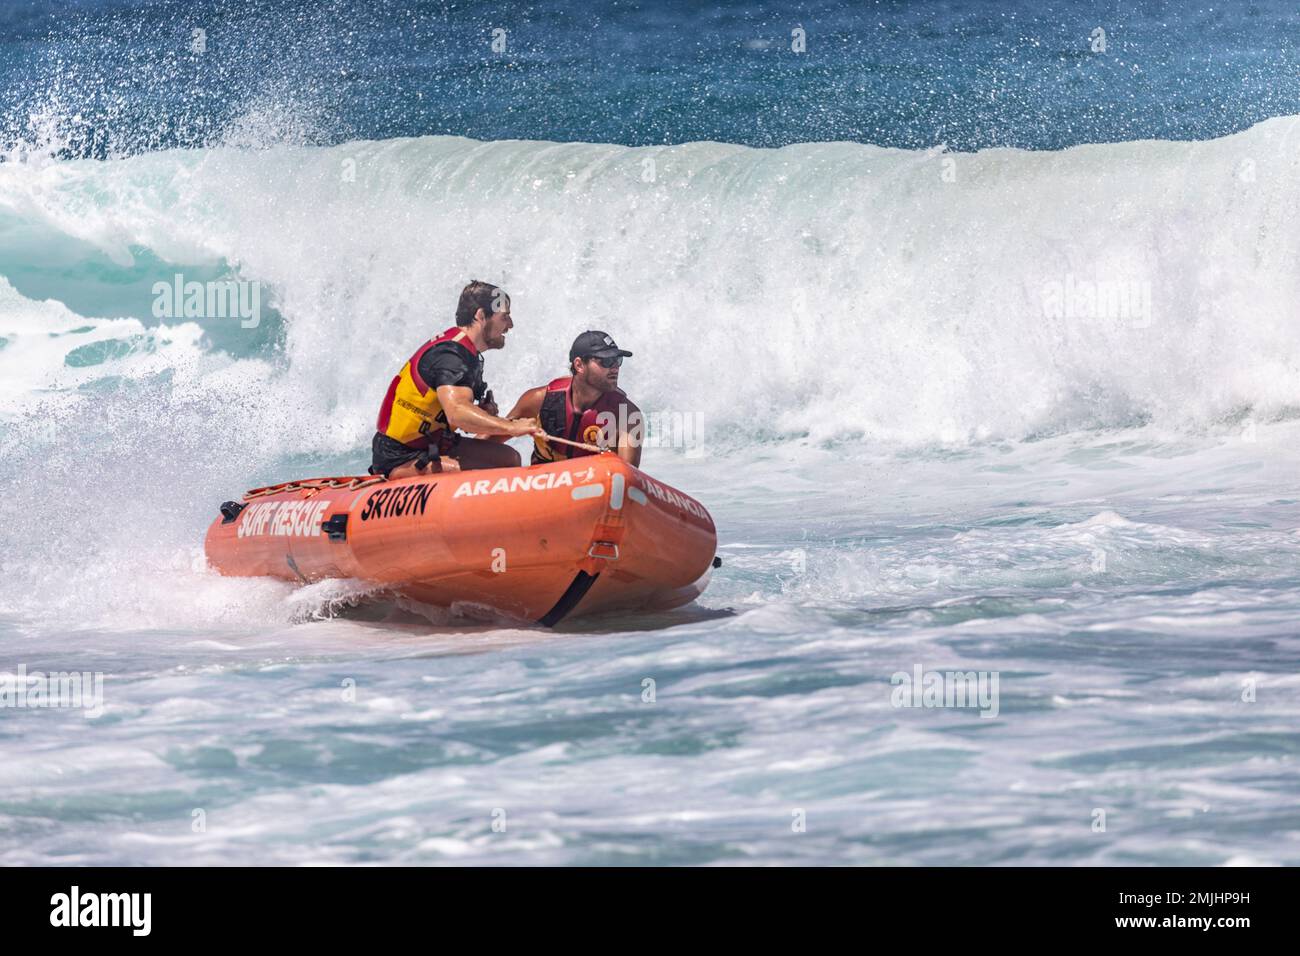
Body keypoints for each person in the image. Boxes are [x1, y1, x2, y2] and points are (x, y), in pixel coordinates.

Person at [369, 280, 542, 479]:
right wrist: (511, 427)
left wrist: (482, 412)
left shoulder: (465, 350)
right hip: (401, 454)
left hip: (438, 442)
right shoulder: (451, 355)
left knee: (509, 458)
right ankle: (397, 473)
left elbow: (448, 411)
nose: (510, 325)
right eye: (505, 317)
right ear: (481, 316)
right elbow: (457, 413)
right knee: (492, 473)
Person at [503, 331, 643, 467]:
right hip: (542, 484)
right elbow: (487, 443)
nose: (615, 368)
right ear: (579, 365)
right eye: (607, 361)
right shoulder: (538, 400)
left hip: (594, 487)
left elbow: (629, 477)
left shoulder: (627, 415)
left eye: (617, 360)